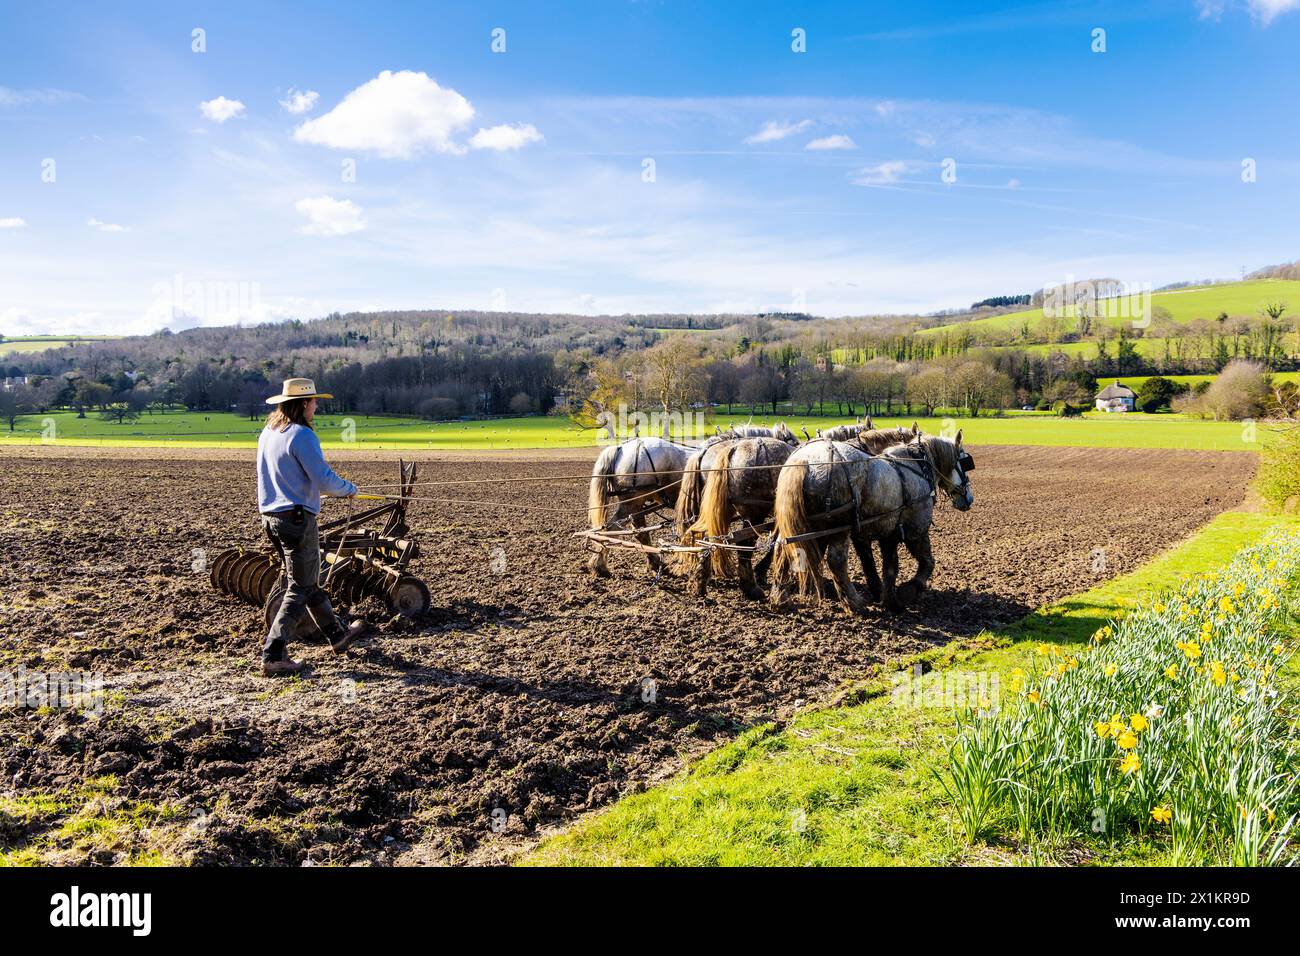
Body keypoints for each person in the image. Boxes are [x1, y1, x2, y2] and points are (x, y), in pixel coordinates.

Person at [256, 378, 367, 676]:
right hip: (296, 520)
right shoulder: (302, 435)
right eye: (314, 401)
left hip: (271, 517)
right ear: (303, 403)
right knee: (300, 587)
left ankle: (337, 635)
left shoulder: (268, 432)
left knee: (309, 579)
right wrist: (348, 489)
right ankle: (273, 655)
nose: (317, 405)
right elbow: (323, 479)